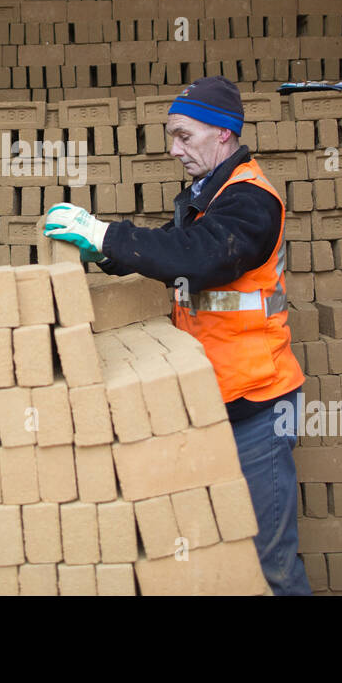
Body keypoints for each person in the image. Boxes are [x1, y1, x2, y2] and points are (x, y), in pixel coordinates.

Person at [43, 75, 312, 595]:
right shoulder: (205, 196)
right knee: (210, 550)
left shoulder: (251, 200)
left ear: (224, 135)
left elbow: (201, 257)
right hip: (210, 400)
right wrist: (105, 253)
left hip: (259, 404)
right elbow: (173, 246)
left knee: (270, 564)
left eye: (185, 136)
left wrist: (106, 234)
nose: (174, 149)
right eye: (172, 136)